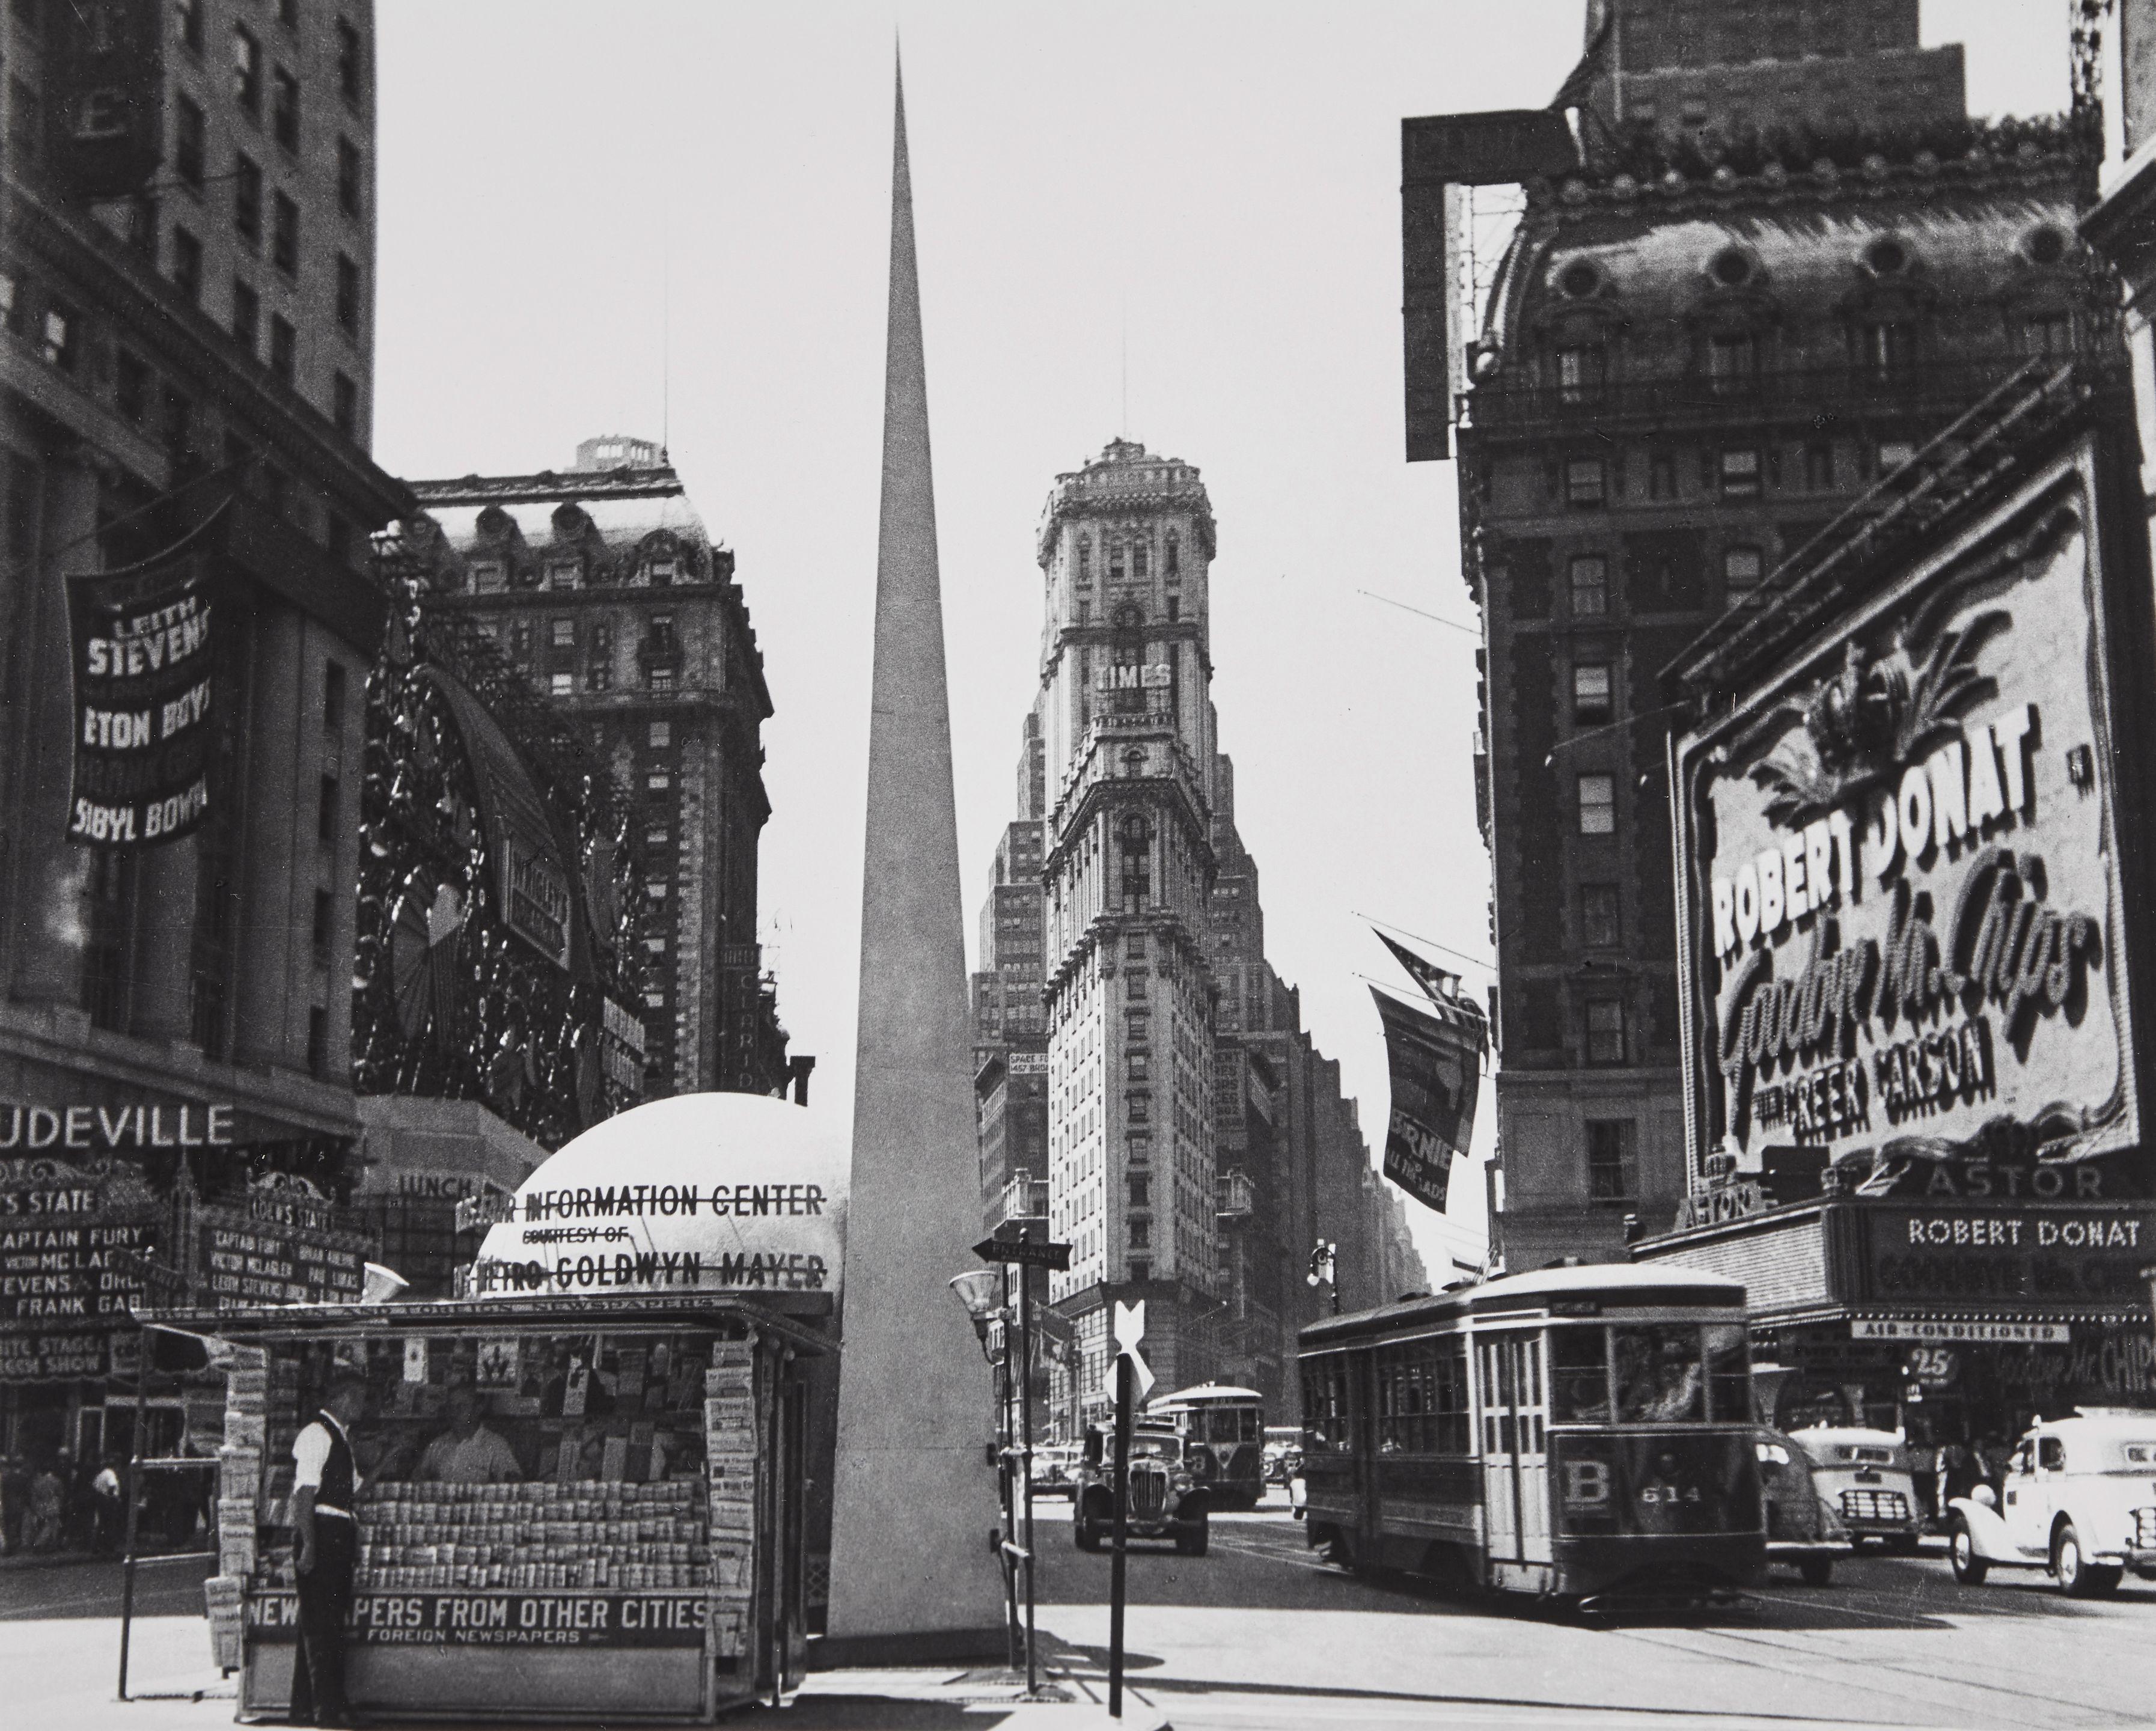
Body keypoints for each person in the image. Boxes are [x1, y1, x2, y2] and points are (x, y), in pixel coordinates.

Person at [291, 1370, 369, 1729]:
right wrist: (309, 1544)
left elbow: (353, 1493)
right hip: (323, 1532)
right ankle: (325, 1710)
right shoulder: (316, 1434)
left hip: (338, 1531)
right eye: (359, 1399)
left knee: (329, 1623)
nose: (363, 1406)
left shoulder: (341, 1439)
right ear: (341, 1399)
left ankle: (312, 1706)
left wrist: (386, 1463)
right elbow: (304, 1495)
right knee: (321, 1625)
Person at [416, 1385, 522, 1486]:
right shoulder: (436, 1446)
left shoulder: (496, 1445)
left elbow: (512, 1484)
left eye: (461, 1406)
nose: (454, 1413)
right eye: (451, 1407)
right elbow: (416, 1482)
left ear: (477, 1409)